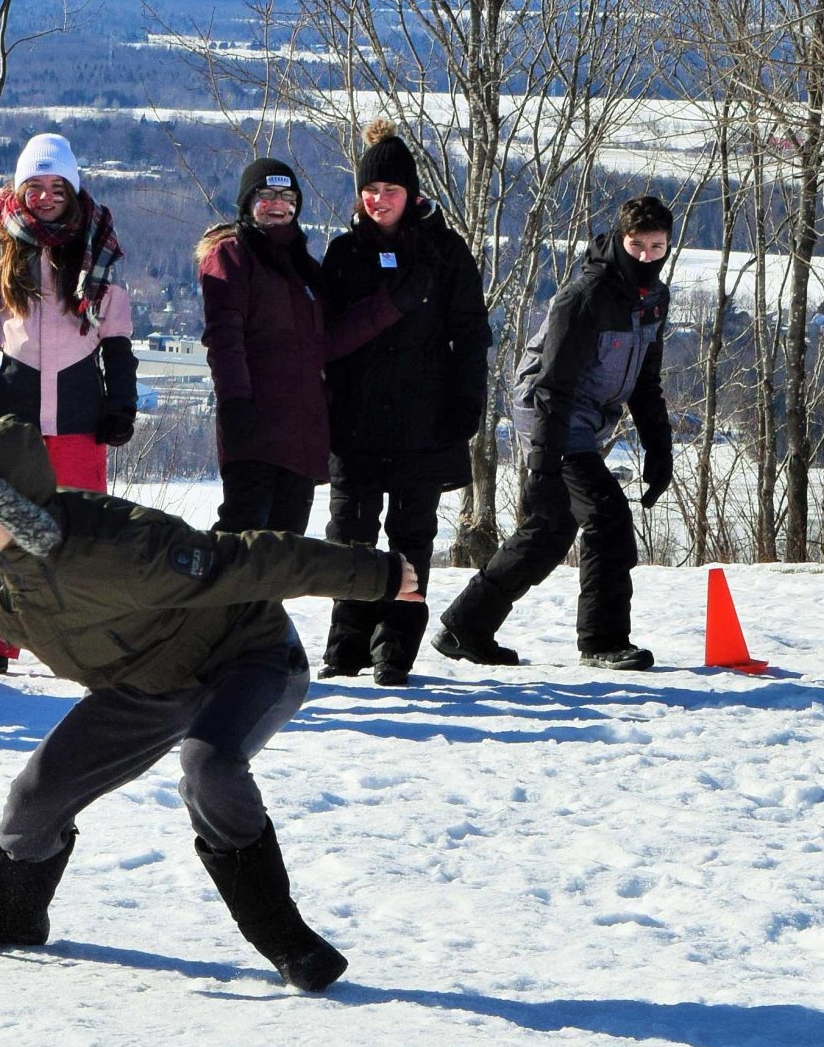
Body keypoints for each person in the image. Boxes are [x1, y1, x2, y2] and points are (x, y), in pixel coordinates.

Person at [0, 414, 418, 990]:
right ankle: (12, 912)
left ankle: (285, 939)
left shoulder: (121, 547)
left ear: (16, 503)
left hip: (244, 657)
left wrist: (379, 575)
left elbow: (252, 559)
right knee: (36, 796)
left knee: (211, 768)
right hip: (143, 685)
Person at [436, 195, 674, 672]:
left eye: (656, 246)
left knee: (550, 528)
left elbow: (645, 384)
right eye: (637, 245)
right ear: (619, 242)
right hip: (549, 410)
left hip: (583, 415)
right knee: (606, 515)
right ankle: (603, 640)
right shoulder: (585, 297)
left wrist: (659, 448)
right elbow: (552, 387)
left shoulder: (653, 301)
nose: (646, 256)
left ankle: (466, 626)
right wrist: (544, 466)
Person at [0, 132, 136, 675]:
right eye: (37, 185)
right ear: (20, 187)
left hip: (81, 413)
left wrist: (120, 401)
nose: (48, 195)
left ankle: (83, 640)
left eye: (58, 185)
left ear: (73, 189)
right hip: (11, 411)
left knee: (82, 534)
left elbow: (117, 338)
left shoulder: (99, 247)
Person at [317, 119, 489, 685]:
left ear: (411, 194)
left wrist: (468, 403)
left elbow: (471, 335)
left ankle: (395, 650)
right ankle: (346, 647)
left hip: (424, 422)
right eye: (370, 190)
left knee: (412, 537)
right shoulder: (343, 253)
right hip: (356, 424)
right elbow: (324, 338)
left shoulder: (444, 252)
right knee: (350, 537)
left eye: (390, 190)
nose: (379, 200)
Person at [198, 154, 417, 535]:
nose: (278, 205)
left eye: (287, 198)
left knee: (285, 551)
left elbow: (324, 344)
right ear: (248, 204)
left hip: (302, 435)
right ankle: (206, 596)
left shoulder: (304, 268)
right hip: (255, 430)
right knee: (241, 545)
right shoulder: (232, 255)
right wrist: (235, 405)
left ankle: (267, 600)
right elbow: (224, 338)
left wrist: (389, 306)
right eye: (265, 196)